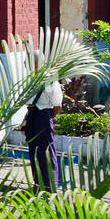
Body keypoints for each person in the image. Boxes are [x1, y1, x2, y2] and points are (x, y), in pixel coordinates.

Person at [25, 58, 64, 192]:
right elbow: (56, 105)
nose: (28, 65)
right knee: (35, 152)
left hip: (41, 115)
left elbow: (57, 105)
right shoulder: (30, 78)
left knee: (45, 151)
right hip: (35, 115)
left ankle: (48, 185)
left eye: (30, 62)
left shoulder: (49, 79)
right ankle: (38, 184)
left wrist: (47, 117)